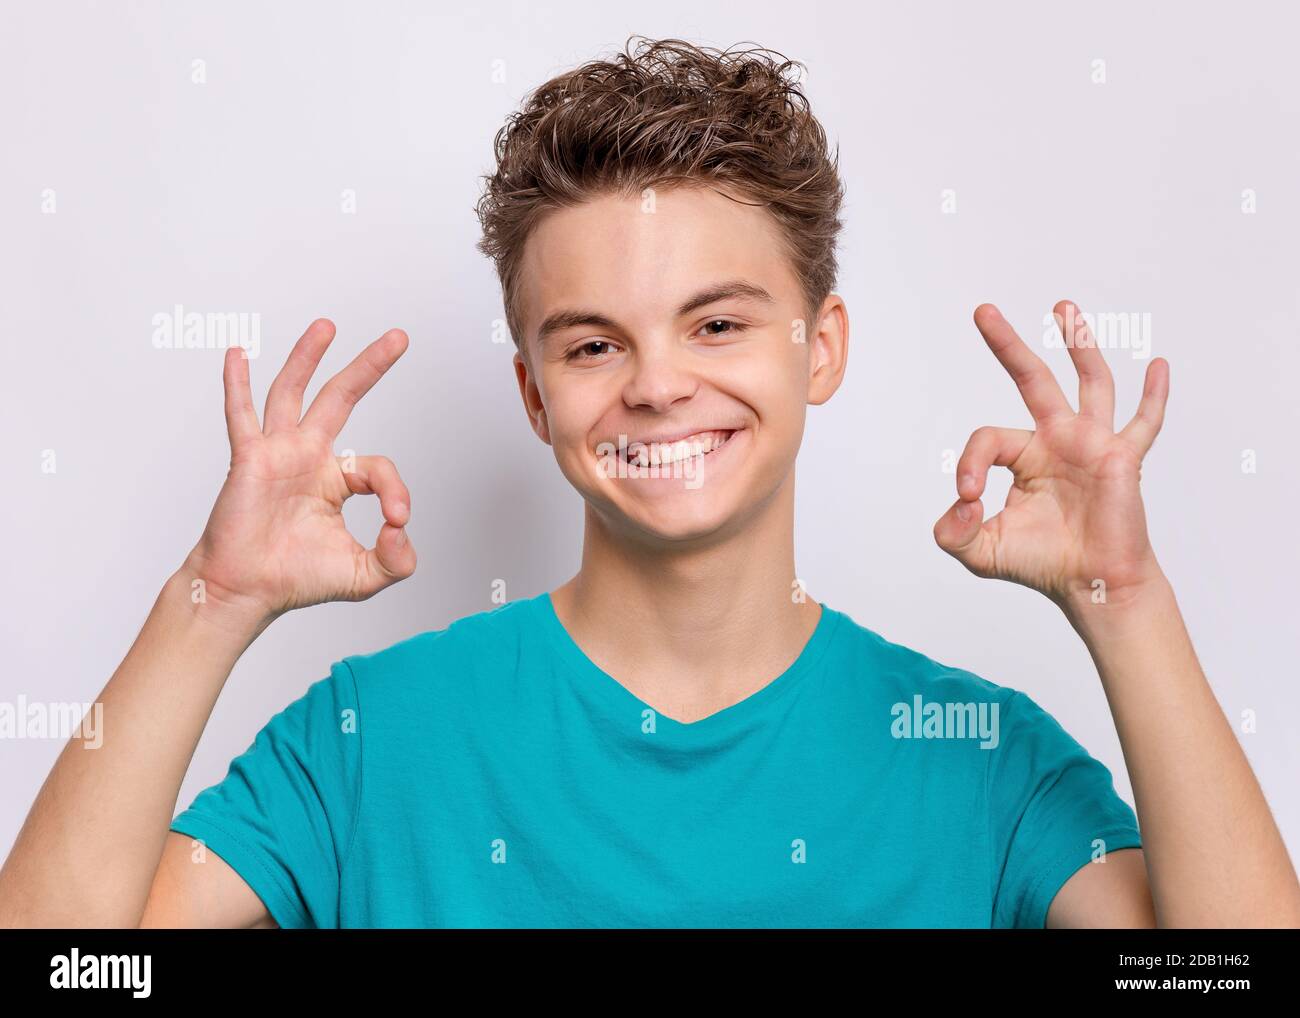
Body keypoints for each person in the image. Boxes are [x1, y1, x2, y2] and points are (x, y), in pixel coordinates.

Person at [2, 36, 1297, 929]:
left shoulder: (976, 758)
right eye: (591, 342)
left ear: (821, 347)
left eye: (719, 322)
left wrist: (1127, 599)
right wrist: (213, 595)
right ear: (532, 393)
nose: (657, 382)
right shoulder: (372, 740)